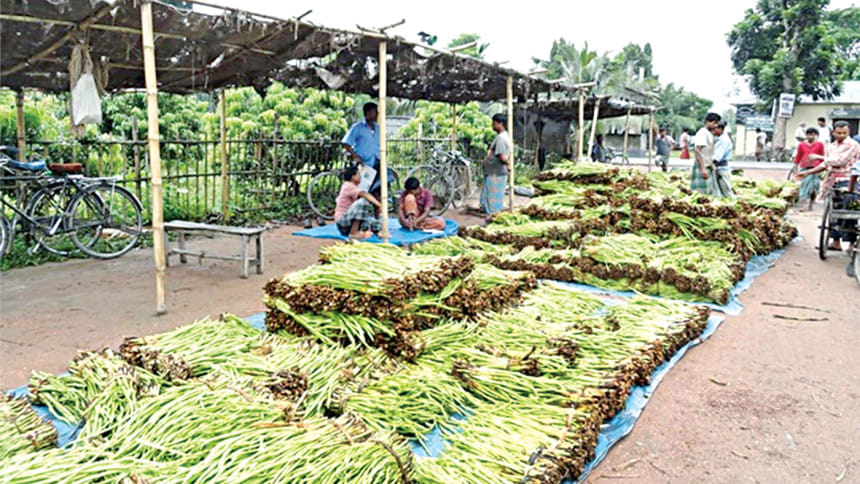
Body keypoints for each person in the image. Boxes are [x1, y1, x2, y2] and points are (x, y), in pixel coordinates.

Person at [797, 121, 860, 250]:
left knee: (848, 211)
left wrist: (820, 157)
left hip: (848, 180)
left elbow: (841, 161)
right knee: (833, 212)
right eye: (839, 133)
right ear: (833, 132)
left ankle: (851, 242)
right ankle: (835, 241)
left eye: (844, 133)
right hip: (832, 181)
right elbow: (826, 165)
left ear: (848, 132)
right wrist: (808, 172)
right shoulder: (831, 146)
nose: (842, 135)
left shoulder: (853, 145)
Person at [341, 102, 388, 198]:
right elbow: (346, 143)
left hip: (377, 161)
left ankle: (376, 206)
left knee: (378, 188)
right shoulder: (357, 127)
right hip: (363, 163)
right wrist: (354, 155)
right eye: (374, 112)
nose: (376, 114)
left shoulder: (378, 128)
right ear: (368, 112)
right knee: (362, 188)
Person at [334, 164, 382, 239]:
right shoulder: (348, 186)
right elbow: (364, 194)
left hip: (349, 221)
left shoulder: (354, 187)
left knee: (371, 223)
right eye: (359, 174)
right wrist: (379, 204)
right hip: (343, 222)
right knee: (363, 202)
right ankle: (354, 233)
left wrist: (377, 205)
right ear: (353, 177)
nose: (361, 176)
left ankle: (379, 232)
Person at [480, 113, 511, 215]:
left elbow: (502, 157)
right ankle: (491, 214)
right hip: (493, 172)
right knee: (490, 198)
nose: (492, 126)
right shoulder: (501, 136)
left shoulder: (501, 138)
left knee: (493, 199)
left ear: (500, 124)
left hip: (496, 173)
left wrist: (509, 164)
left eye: (494, 124)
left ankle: (493, 216)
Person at [792, 127, 825, 210]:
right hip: (805, 167)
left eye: (813, 135)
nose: (811, 137)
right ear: (806, 135)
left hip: (816, 168)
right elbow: (798, 157)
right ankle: (804, 204)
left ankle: (811, 203)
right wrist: (795, 168)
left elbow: (823, 157)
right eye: (809, 134)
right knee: (805, 185)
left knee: (815, 187)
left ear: (816, 136)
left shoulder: (820, 145)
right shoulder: (801, 145)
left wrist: (822, 171)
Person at [690, 112, 720, 195]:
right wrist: (702, 168)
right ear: (707, 121)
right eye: (714, 123)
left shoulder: (709, 133)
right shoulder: (702, 132)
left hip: (708, 165)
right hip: (702, 165)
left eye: (717, 123)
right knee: (700, 192)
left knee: (708, 191)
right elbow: (698, 151)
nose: (715, 125)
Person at [711, 121, 735, 198]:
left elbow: (717, 157)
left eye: (714, 129)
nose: (713, 131)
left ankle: (734, 203)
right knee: (720, 193)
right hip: (720, 168)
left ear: (720, 129)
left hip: (722, 169)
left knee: (727, 193)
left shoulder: (723, 140)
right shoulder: (721, 139)